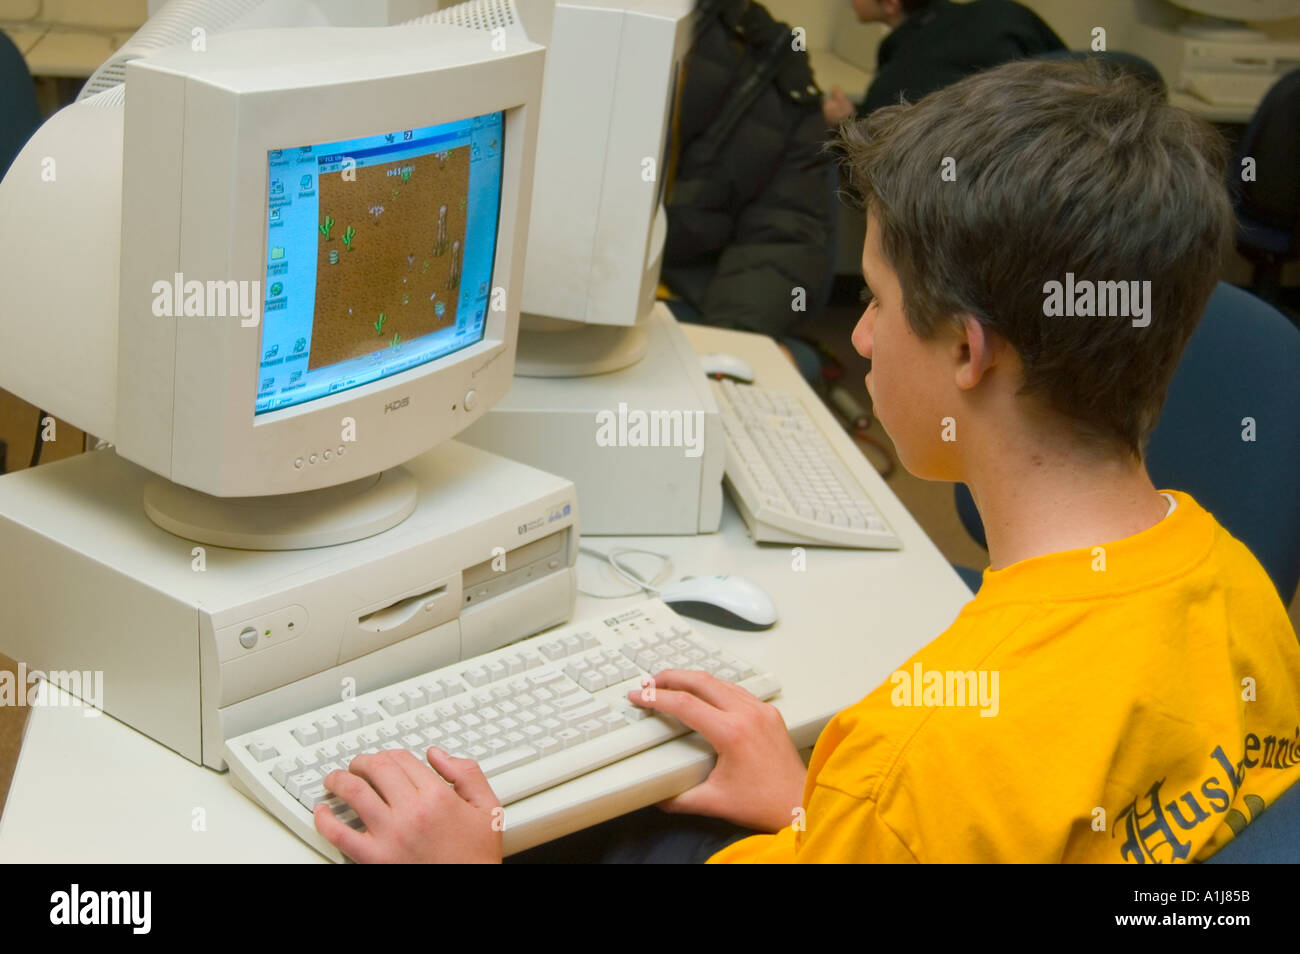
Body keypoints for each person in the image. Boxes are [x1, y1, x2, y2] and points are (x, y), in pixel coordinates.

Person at [311, 58, 1300, 863]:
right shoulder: (1238, 587)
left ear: (966, 350)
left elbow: (939, 807)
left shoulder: (922, 754)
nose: (860, 338)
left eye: (872, 299)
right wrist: (817, 816)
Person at [658, 0, 837, 382]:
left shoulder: (771, 58)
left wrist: (731, 346)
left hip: (688, 299)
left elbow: (782, 232)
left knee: (779, 369)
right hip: (548, 302)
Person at [823, 0, 1065, 124]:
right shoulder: (1008, 13)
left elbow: (871, 158)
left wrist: (846, 122)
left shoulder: (893, 86)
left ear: (890, 4)